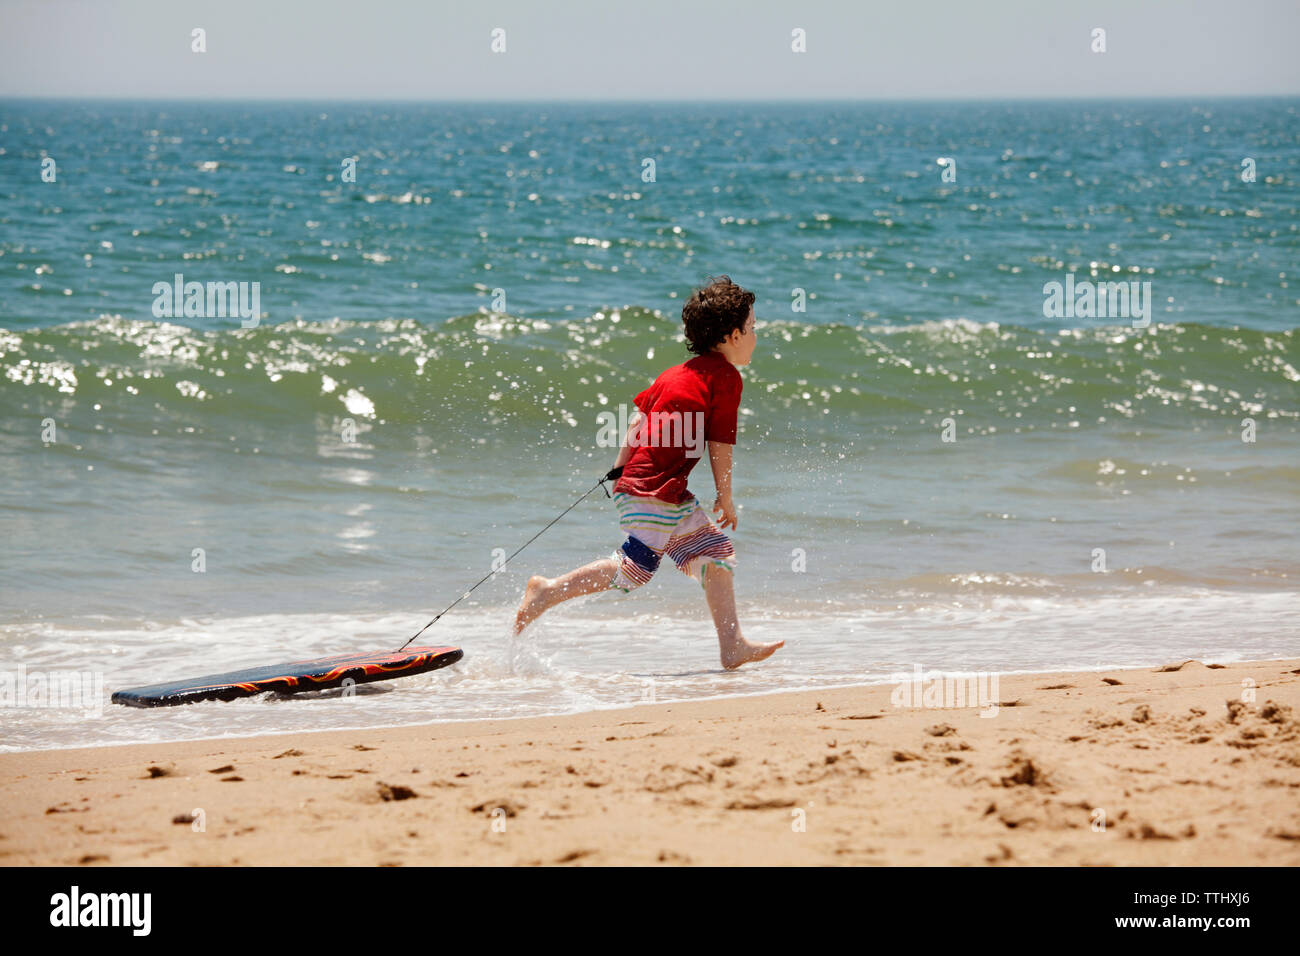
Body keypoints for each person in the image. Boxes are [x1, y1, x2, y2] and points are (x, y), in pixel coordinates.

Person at [513, 276, 784, 670]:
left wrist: (619, 468)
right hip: (654, 489)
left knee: (714, 556)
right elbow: (720, 444)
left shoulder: (673, 374)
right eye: (754, 329)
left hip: (656, 488)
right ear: (732, 335)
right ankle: (546, 591)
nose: (757, 336)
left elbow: (638, 422)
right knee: (633, 570)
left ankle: (733, 645)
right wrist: (726, 496)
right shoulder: (725, 378)